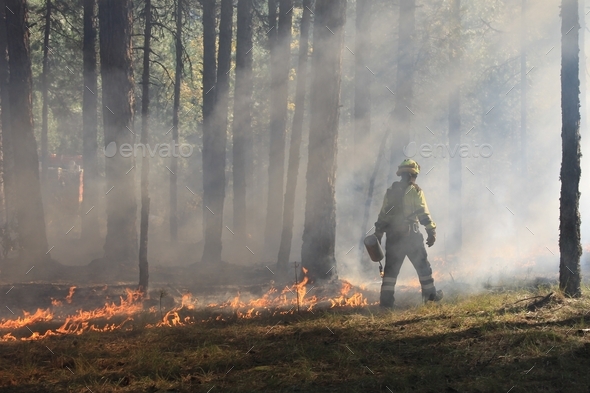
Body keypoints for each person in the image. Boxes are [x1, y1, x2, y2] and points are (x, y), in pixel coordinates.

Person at [374, 159, 443, 308]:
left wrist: (378, 233)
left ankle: (386, 304)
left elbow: (383, 215)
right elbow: (423, 213)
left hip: (392, 237)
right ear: (413, 174)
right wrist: (431, 230)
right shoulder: (415, 191)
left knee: (390, 272)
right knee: (423, 267)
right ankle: (430, 296)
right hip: (411, 237)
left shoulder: (390, 192)